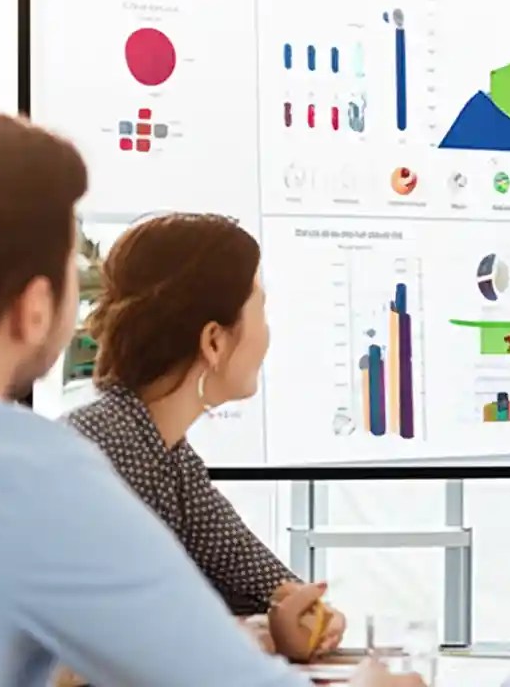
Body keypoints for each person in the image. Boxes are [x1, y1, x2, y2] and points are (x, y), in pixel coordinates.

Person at [0, 112, 414, 686]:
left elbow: (268, 593)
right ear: (33, 309)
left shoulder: (162, 459)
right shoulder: (34, 469)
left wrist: (262, 630)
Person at [62, 212, 346, 661]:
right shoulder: (108, 449)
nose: (268, 334)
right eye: (261, 309)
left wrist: (301, 619)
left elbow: (283, 596)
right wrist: (253, 632)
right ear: (214, 341)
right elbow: (141, 645)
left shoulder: (167, 454)